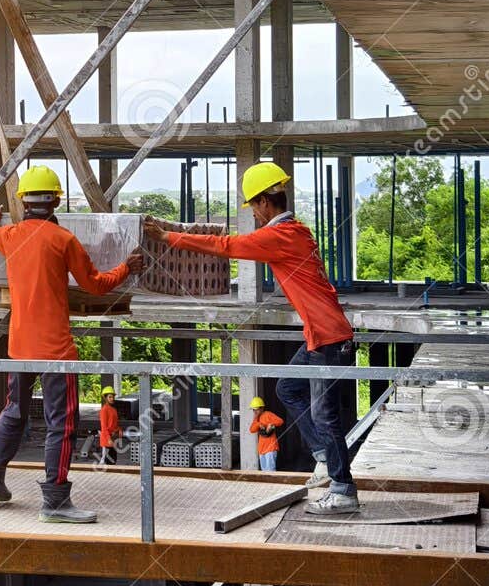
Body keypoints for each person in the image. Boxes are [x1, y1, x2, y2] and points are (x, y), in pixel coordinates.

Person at [144, 161, 359, 514]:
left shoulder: (278, 236)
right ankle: (324, 456)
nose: (255, 216)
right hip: (322, 336)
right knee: (287, 390)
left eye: (254, 208)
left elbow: (224, 245)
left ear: (263, 202)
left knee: (325, 416)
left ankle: (343, 489)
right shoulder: (298, 231)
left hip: (328, 341)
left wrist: (168, 237)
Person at [0, 166, 144, 523]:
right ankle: (54, 503)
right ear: (56, 200)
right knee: (62, 423)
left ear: (23, 201)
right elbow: (96, 285)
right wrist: (126, 268)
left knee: (13, 410)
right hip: (55, 350)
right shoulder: (64, 240)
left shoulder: (9, 236)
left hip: (19, 346)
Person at [248, 395, 283, 472]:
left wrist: (270, 424)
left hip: (271, 448)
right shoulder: (256, 419)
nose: (255, 412)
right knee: (264, 471)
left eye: (256, 409)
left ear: (261, 408)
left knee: (271, 470)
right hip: (261, 449)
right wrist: (259, 424)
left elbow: (280, 421)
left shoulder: (268, 414)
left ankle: (272, 484)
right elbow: (251, 430)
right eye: (253, 410)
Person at [97, 386, 121, 465]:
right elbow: (104, 426)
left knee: (113, 460)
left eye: (113, 396)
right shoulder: (104, 410)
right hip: (108, 439)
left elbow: (115, 424)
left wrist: (119, 430)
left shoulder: (113, 409)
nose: (112, 398)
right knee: (107, 461)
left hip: (113, 438)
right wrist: (108, 439)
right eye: (110, 397)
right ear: (105, 398)